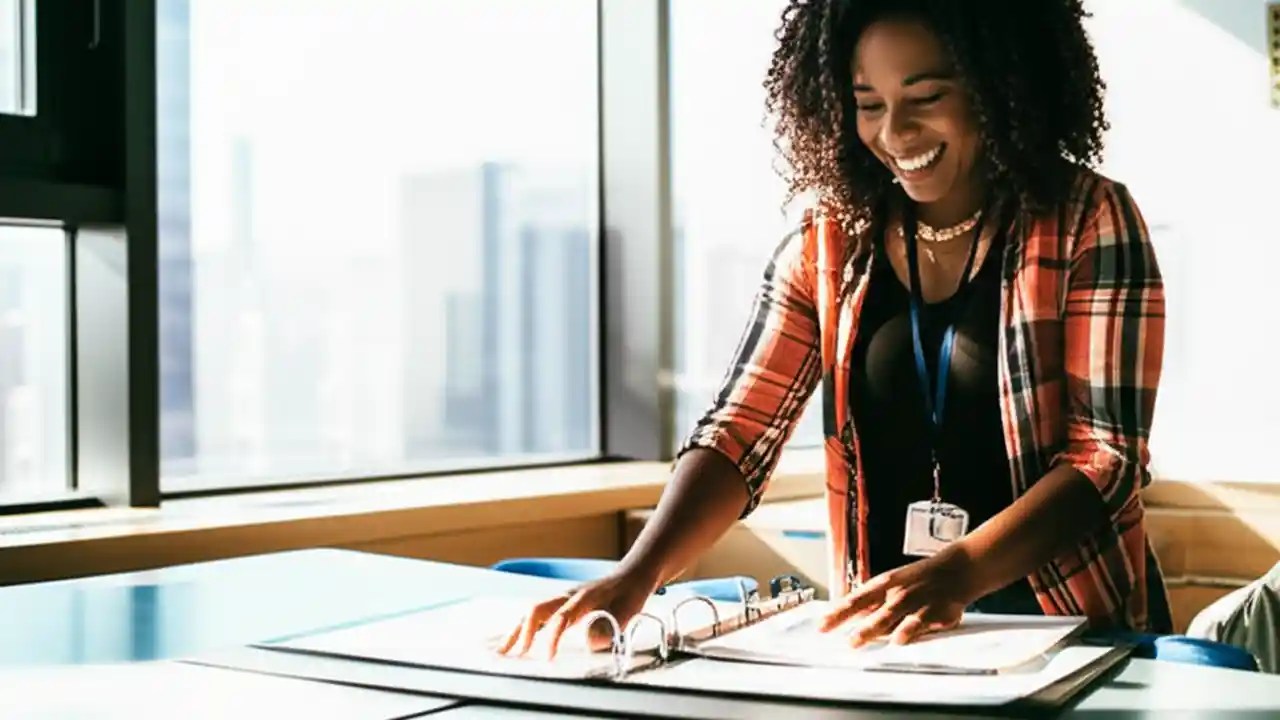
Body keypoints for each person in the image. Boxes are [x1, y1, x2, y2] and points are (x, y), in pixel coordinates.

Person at [499, 0, 1171, 660]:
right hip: (889, 640)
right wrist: (636, 576)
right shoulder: (829, 241)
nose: (895, 133)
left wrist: (956, 573)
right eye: (868, 104)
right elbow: (739, 432)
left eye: (925, 96)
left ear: (1000, 83)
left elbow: (1104, 459)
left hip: (1074, 636)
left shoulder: (1089, 219)